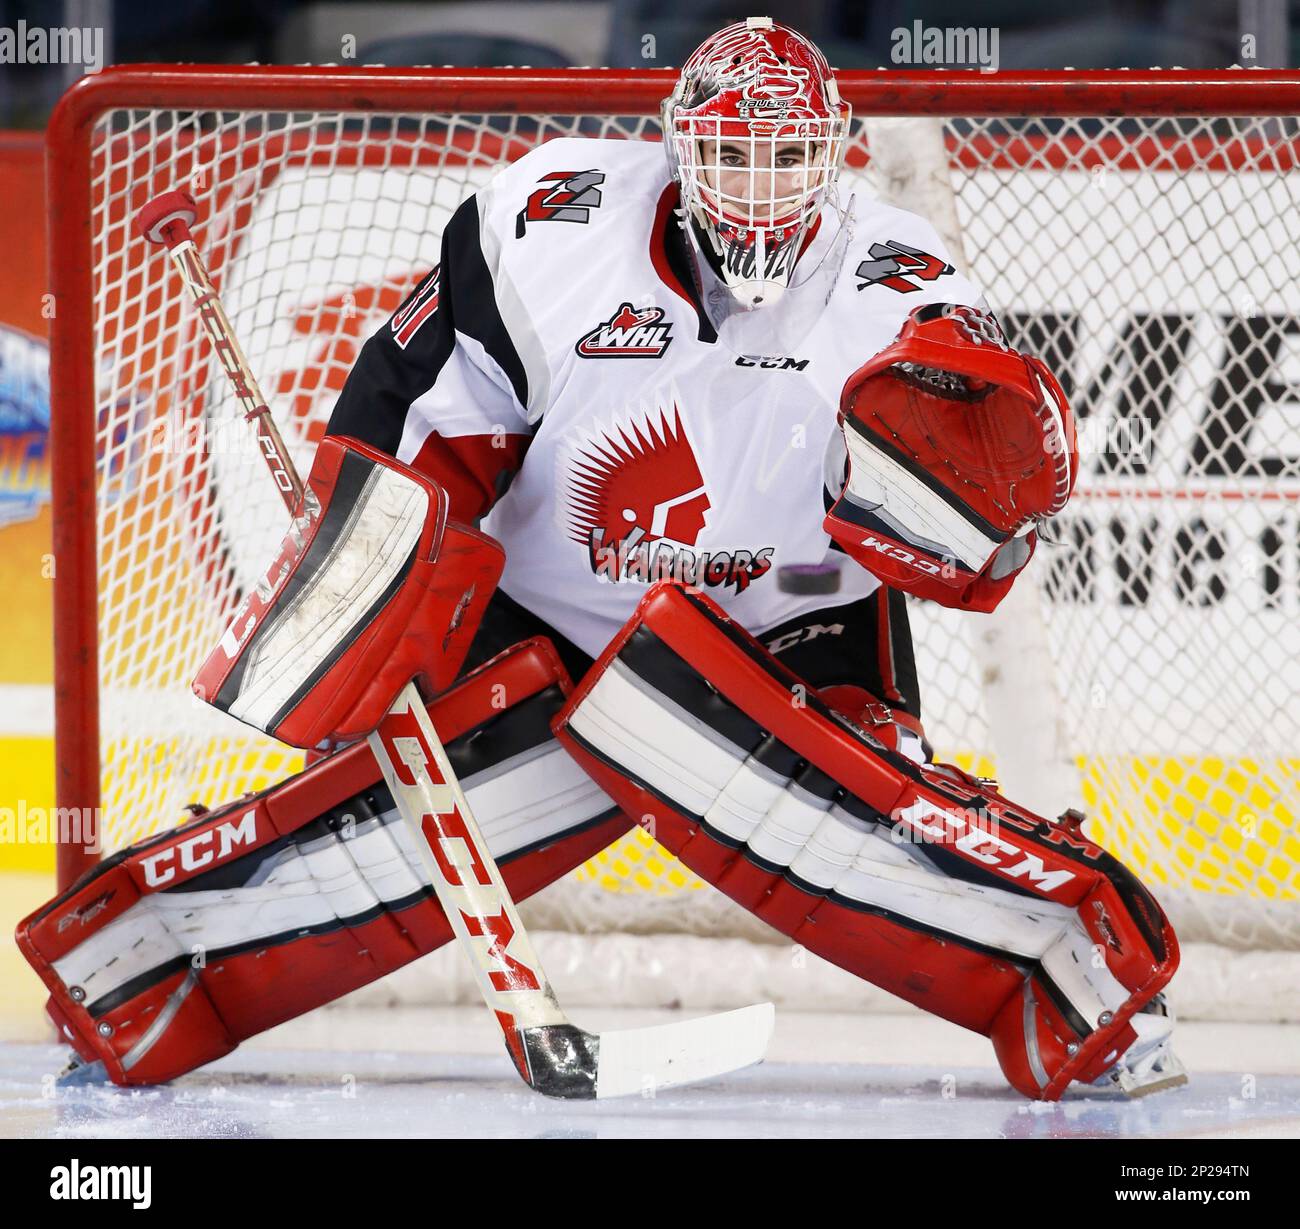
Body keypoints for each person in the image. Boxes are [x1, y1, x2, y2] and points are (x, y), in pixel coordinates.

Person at [23, 17, 1183, 1099]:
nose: (760, 190)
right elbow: (415, 416)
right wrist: (384, 585)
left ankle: (1086, 989)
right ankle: (131, 979)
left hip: (793, 624)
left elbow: (949, 519)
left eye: (788, 160)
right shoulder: (552, 229)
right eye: (733, 157)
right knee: (386, 832)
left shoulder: (901, 280)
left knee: (863, 829)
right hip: (547, 613)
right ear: (678, 150)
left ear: (836, 158)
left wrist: (964, 509)